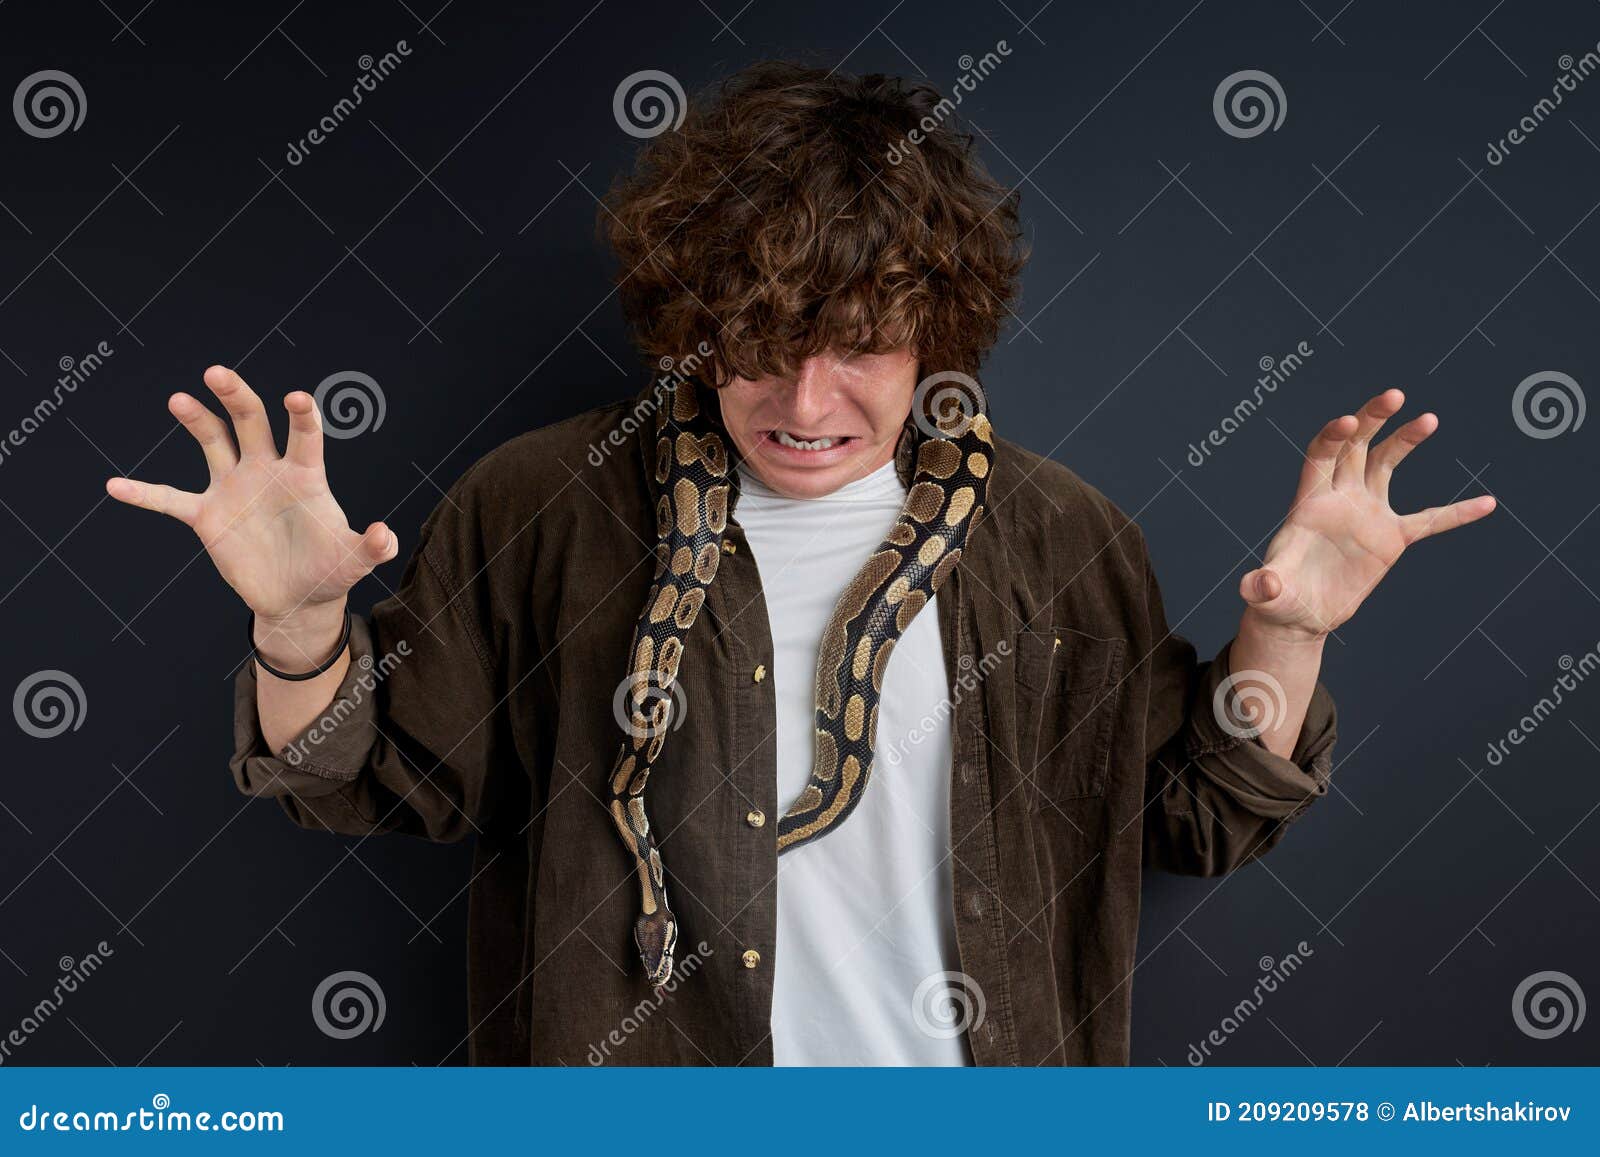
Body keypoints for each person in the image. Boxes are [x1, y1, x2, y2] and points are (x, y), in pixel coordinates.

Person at [104, 61, 1494, 1065]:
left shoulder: (1061, 538)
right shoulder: (546, 503)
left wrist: (1292, 636)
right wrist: (299, 630)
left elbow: (1194, 824)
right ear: (688, 328)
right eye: (756, 340)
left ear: (937, 331)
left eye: (862, 343)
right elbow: (364, 782)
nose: (806, 399)